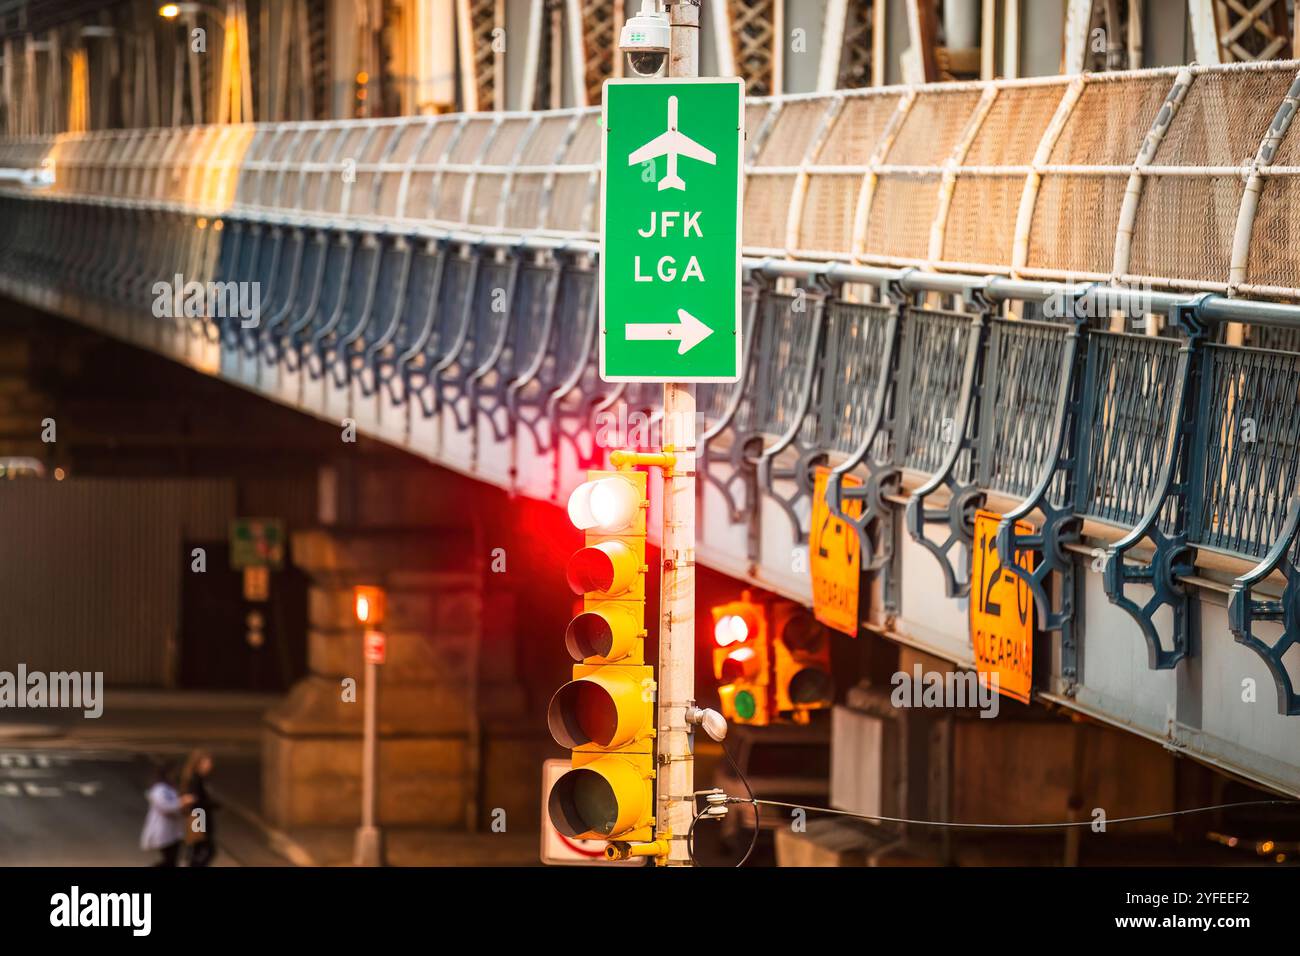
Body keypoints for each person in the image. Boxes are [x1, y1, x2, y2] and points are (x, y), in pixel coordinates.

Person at [180, 749, 218, 867]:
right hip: (199, 817)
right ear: (198, 763)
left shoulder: (200, 779)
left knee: (200, 850)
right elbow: (196, 800)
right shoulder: (195, 780)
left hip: (200, 817)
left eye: (210, 763)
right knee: (206, 850)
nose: (209, 766)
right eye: (206, 763)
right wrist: (212, 804)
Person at [140, 764, 184, 866]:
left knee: (172, 862)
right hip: (163, 832)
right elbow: (165, 807)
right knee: (169, 861)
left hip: (173, 832)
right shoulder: (159, 789)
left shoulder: (171, 789)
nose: (175, 776)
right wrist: (182, 804)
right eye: (172, 773)